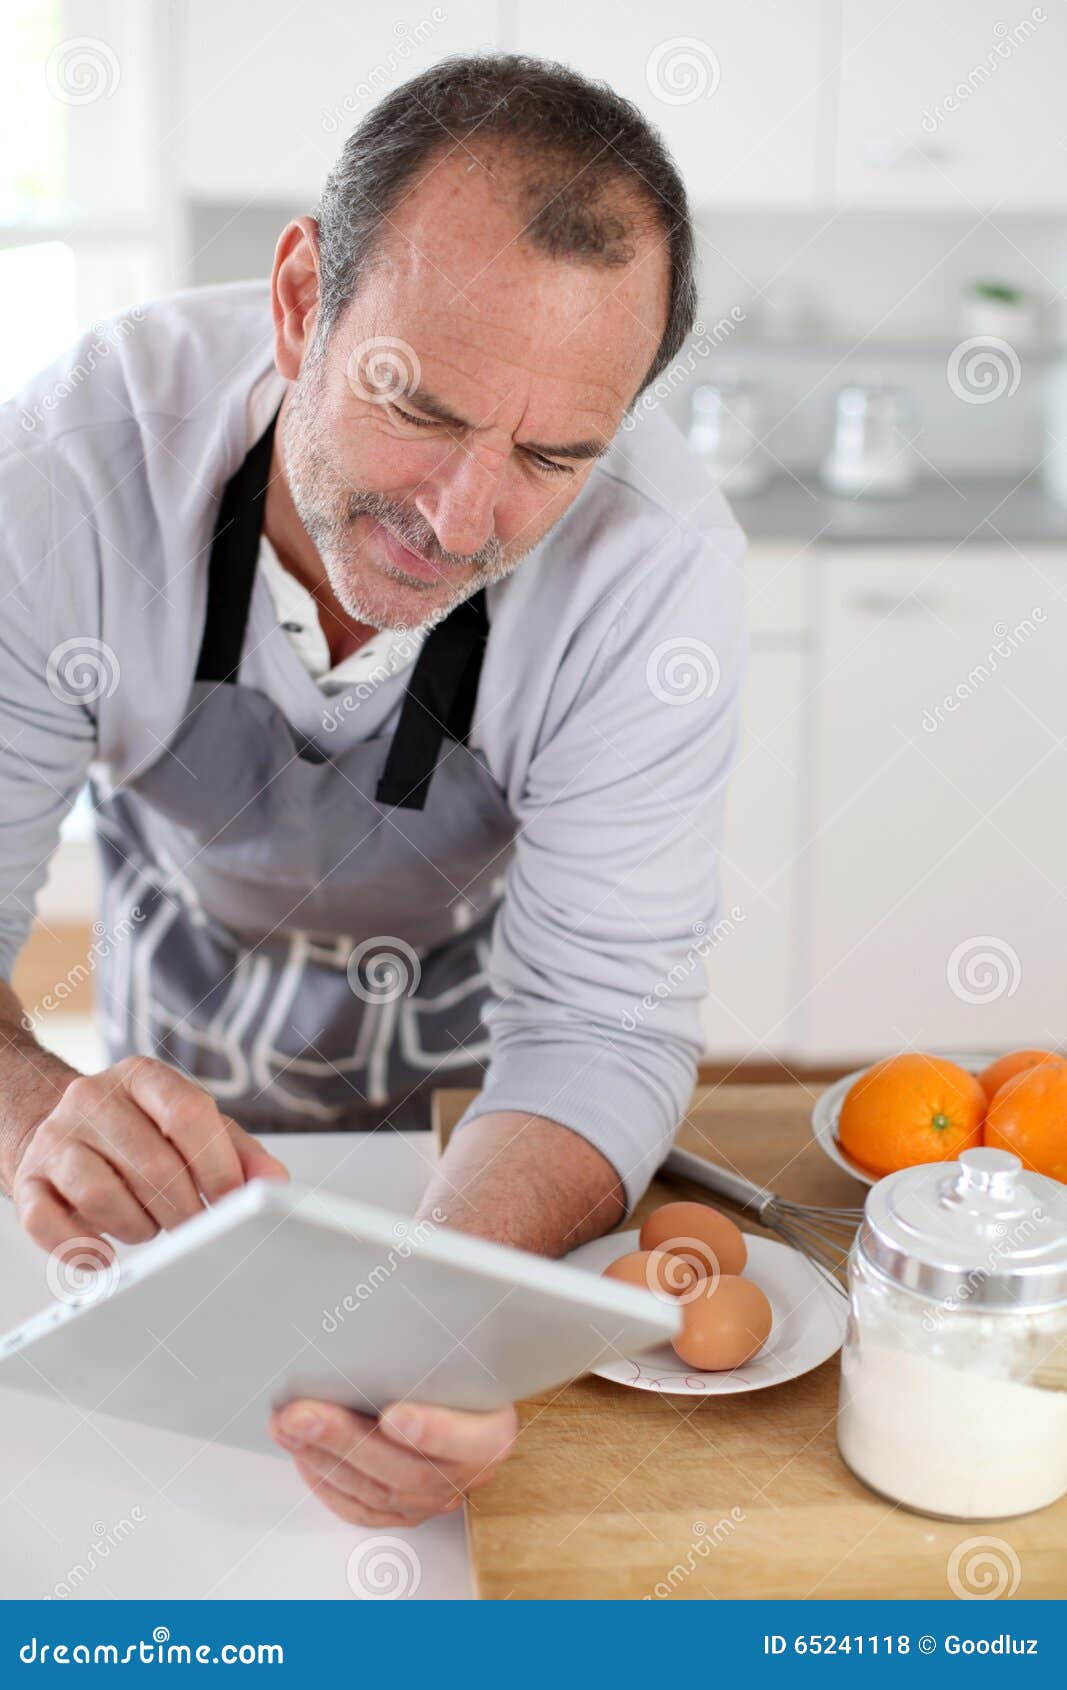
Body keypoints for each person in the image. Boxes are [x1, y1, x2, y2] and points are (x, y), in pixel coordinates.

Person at [0, 54, 745, 1526]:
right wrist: (36, 1109)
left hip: (479, 1097)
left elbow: (603, 1023)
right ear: (298, 302)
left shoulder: (657, 566)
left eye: (551, 456)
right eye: (424, 407)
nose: (460, 518)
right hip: (186, 1022)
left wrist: (429, 1324)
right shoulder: (71, 469)